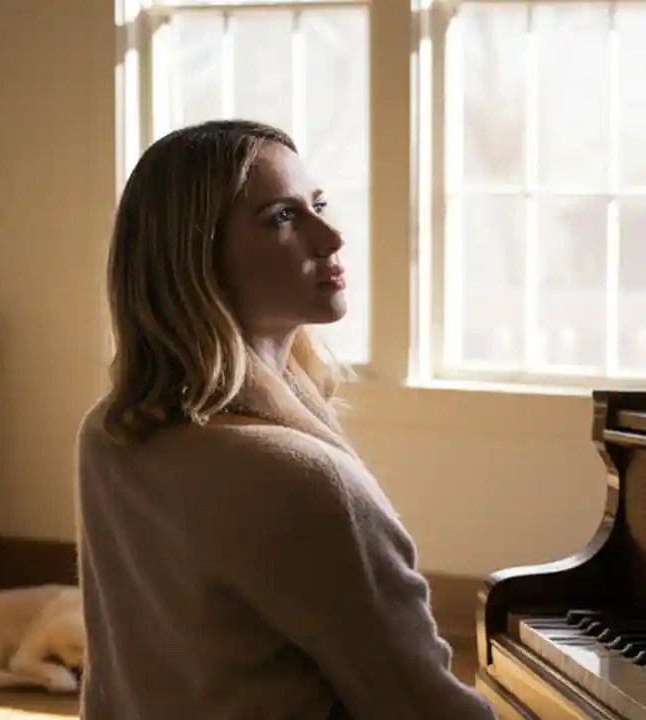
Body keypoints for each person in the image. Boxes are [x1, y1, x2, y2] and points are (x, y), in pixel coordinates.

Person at [76, 119, 497, 719]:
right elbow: (423, 710)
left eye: (318, 205)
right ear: (197, 256)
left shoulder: (111, 432)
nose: (331, 237)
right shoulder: (301, 478)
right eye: (282, 217)